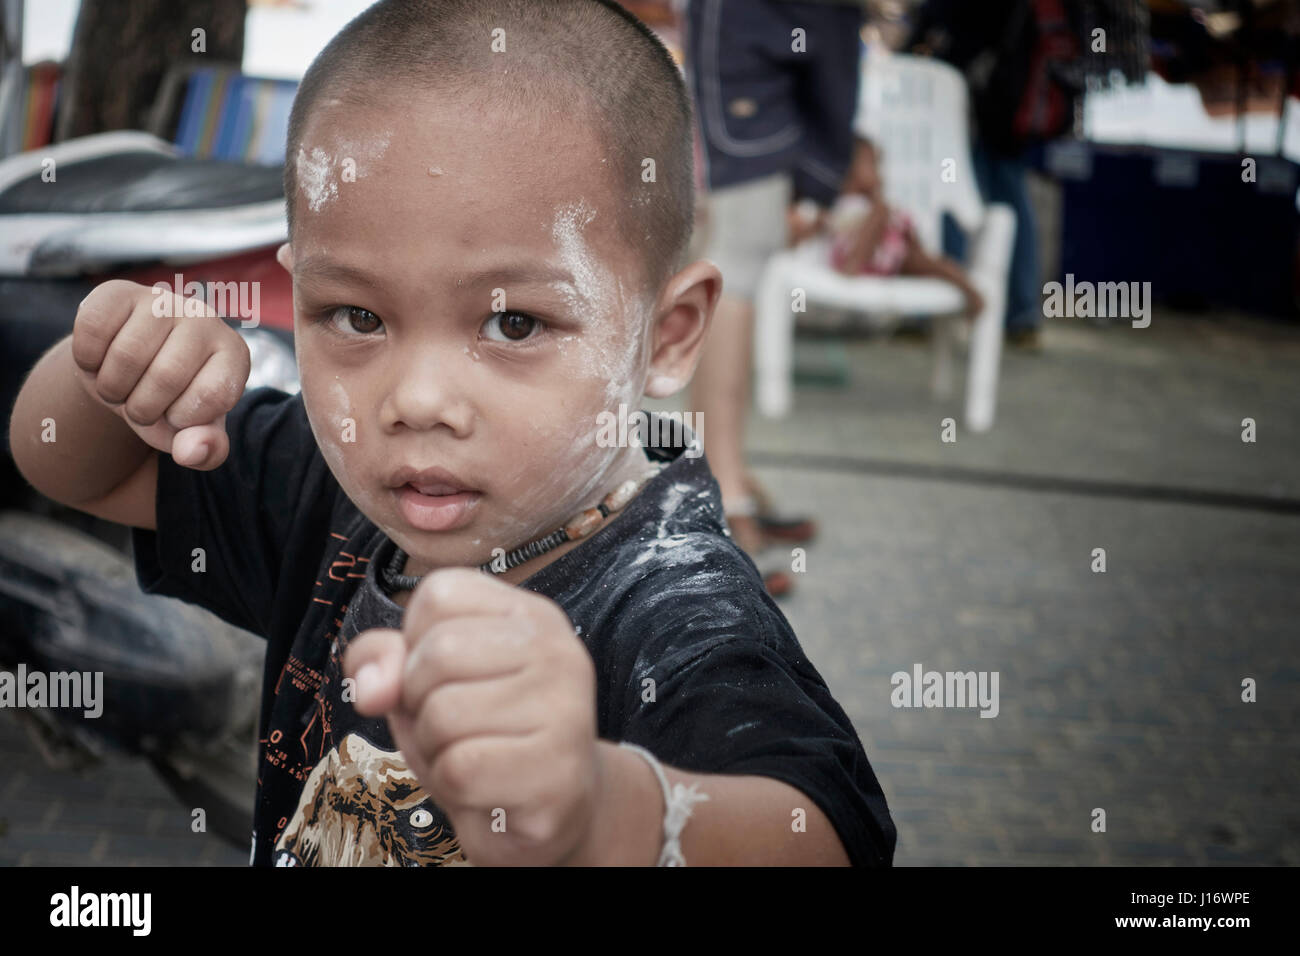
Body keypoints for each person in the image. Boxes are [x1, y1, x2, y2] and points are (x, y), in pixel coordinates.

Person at [8, 0, 895, 867]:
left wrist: (607, 812)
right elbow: (65, 465)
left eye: (512, 327)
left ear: (667, 334)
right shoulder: (328, 482)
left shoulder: (673, 605)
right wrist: (112, 373)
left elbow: (813, 832)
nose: (418, 400)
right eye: (356, 315)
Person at [683, 0, 866, 596]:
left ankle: (719, 477)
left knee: (726, 285)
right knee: (728, 285)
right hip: (742, 116)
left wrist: (817, 176)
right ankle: (721, 490)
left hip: (747, 113)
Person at [793, 135, 984, 316]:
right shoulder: (835, 201)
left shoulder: (872, 204)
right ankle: (854, 266)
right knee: (887, 218)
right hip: (851, 257)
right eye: (872, 164)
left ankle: (966, 286)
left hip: (891, 258)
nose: (879, 172)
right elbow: (820, 226)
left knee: (921, 258)